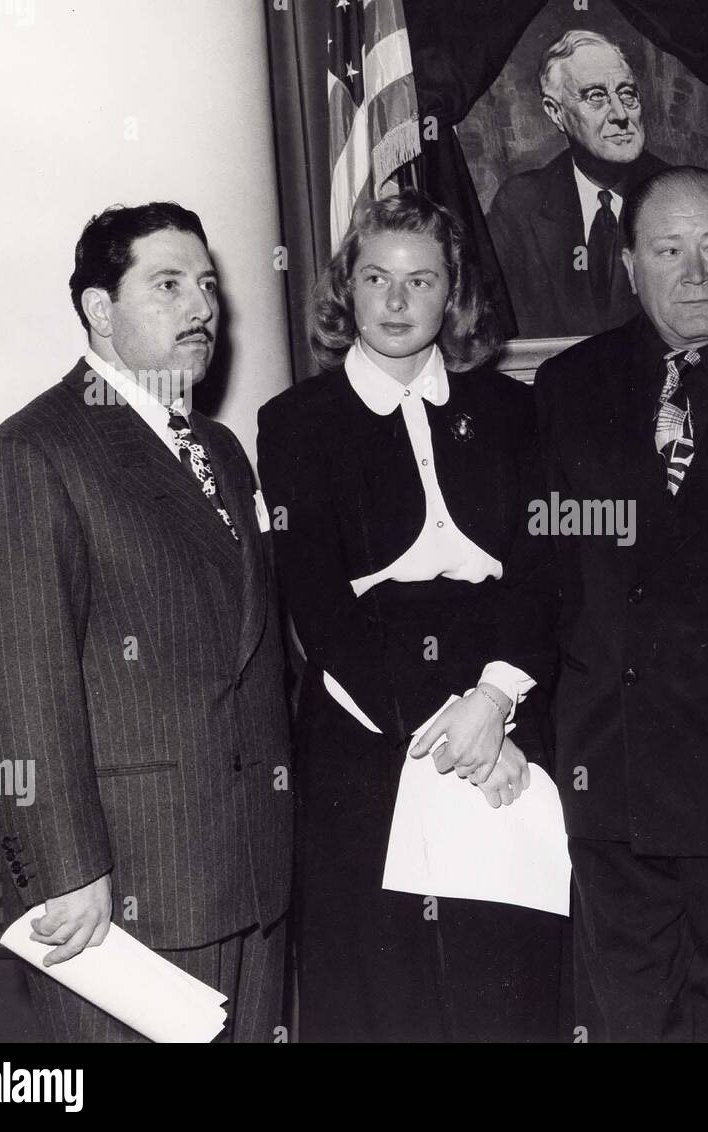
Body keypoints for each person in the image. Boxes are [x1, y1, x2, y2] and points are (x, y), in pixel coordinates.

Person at [0, 203, 293, 1042]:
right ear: (99, 311)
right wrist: (65, 874)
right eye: (167, 285)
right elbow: (14, 687)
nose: (201, 309)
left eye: (207, 286)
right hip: (123, 898)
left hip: (249, 876)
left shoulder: (219, 448)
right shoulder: (29, 457)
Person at [256, 190, 563, 1042]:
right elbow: (318, 604)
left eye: (420, 281)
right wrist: (451, 733)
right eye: (377, 278)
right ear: (346, 289)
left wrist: (496, 704)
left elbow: (539, 568)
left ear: (452, 293)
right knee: (381, 985)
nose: (396, 302)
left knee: (503, 977)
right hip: (369, 722)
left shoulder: (509, 410)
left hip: (506, 694)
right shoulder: (294, 423)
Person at [534, 166, 708, 1041]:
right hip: (610, 768)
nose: (694, 274)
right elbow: (547, 579)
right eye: (668, 250)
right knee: (626, 1015)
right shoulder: (569, 386)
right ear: (630, 264)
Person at [487, 29, 668, 338]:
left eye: (627, 93)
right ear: (555, 113)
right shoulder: (518, 207)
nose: (621, 114)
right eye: (595, 96)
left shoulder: (679, 196)